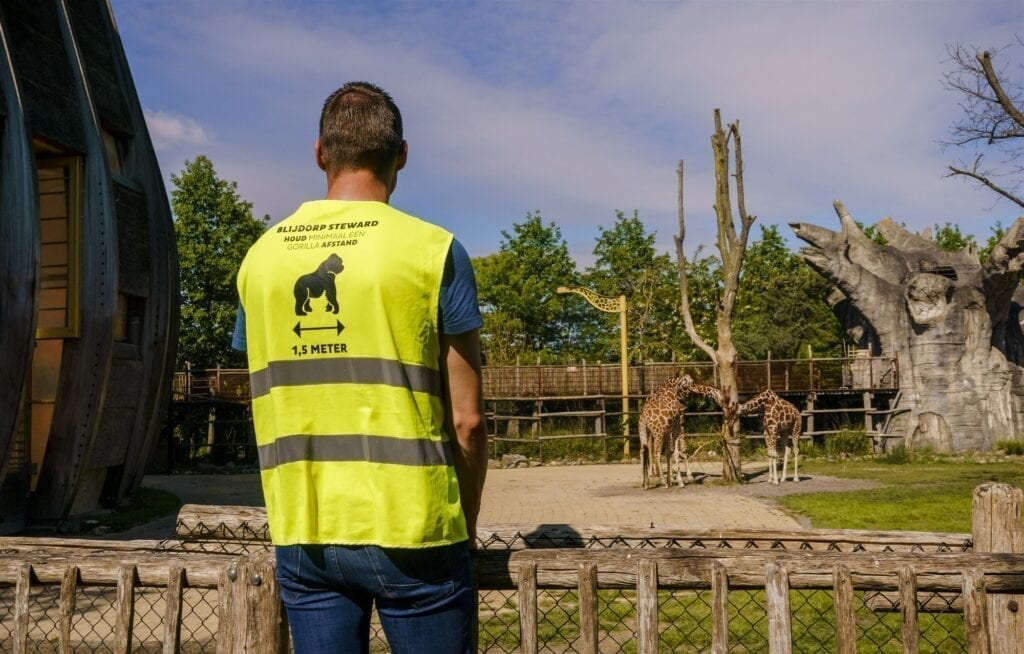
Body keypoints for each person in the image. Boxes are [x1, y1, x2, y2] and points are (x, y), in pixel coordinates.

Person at [235, 81, 487, 653]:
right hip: (416, 532)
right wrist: (463, 526)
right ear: (401, 154)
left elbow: (263, 387)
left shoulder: (261, 259)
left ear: (320, 154)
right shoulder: (434, 251)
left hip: (305, 527)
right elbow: (468, 420)